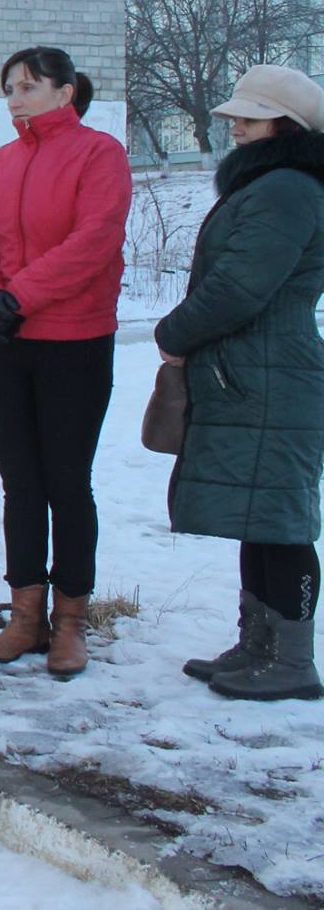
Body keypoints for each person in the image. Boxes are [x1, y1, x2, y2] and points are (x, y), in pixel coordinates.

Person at [0, 47, 130, 680]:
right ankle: (25, 614)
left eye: (28, 86)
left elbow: (96, 238)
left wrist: (20, 295)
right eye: (9, 87)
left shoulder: (99, 153)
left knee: (66, 482)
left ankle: (69, 622)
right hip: (4, 342)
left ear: (65, 92)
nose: (15, 97)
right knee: (20, 485)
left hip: (74, 340)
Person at [156, 65, 324, 702]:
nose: (236, 129)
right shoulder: (278, 184)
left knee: (280, 519)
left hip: (271, 375)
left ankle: (291, 660)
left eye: (250, 118)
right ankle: (259, 645)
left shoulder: (285, 189)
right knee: (260, 515)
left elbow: (239, 288)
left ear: (288, 125)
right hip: (255, 372)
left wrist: (174, 333)